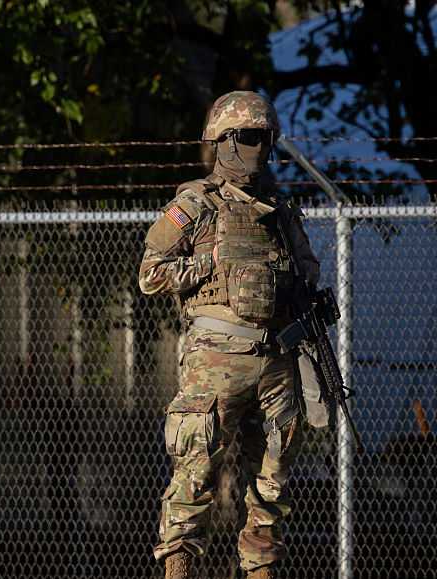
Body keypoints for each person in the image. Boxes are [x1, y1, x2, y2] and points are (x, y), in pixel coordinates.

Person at [139, 92, 320, 579]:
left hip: (276, 359)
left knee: (272, 487)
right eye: (244, 138)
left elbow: (306, 274)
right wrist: (211, 263)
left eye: (263, 138)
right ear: (220, 141)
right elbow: (150, 274)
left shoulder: (280, 212)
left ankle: (260, 569)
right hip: (215, 362)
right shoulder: (196, 204)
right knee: (195, 475)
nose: (255, 147)